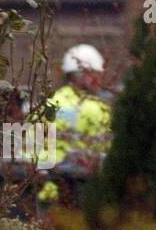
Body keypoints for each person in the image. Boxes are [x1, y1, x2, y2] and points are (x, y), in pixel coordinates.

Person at [38, 44, 112, 204]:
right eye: (96, 74)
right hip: (82, 191)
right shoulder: (95, 108)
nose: (98, 80)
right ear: (82, 75)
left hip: (48, 191)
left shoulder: (52, 101)